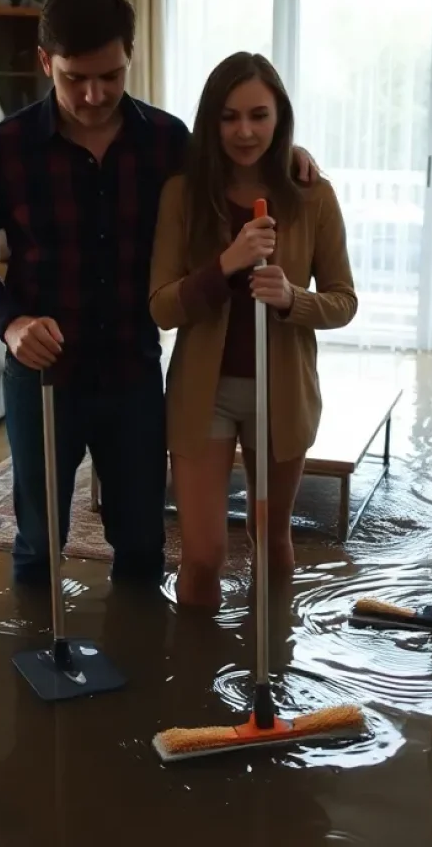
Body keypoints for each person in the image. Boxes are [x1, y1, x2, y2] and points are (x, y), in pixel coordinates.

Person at [0, 0, 317, 588]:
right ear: (45, 63)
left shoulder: (169, 142)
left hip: (133, 376)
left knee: (143, 542)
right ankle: (34, 668)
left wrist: (293, 158)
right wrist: (10, 322)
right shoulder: (3, 149)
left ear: (131, 54)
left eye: (111, 76)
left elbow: (239, 162)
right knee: (39, 541)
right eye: (74, 78)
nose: (94, 94)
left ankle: (144, 677)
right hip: (43, 377)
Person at [148, 51, 358, 609]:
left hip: (281, 393)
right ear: (210, 121)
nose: (244, 131)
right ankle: (194, 682)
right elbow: (162, 308)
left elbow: (344, 301)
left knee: (271, 537)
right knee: (203, 553)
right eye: (229, 116)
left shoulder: (312, 195)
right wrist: (226, 264)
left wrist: (293, 299)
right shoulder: (184, 195)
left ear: (280, 117)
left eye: (259, 115)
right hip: (204, 396)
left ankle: (274, 665)